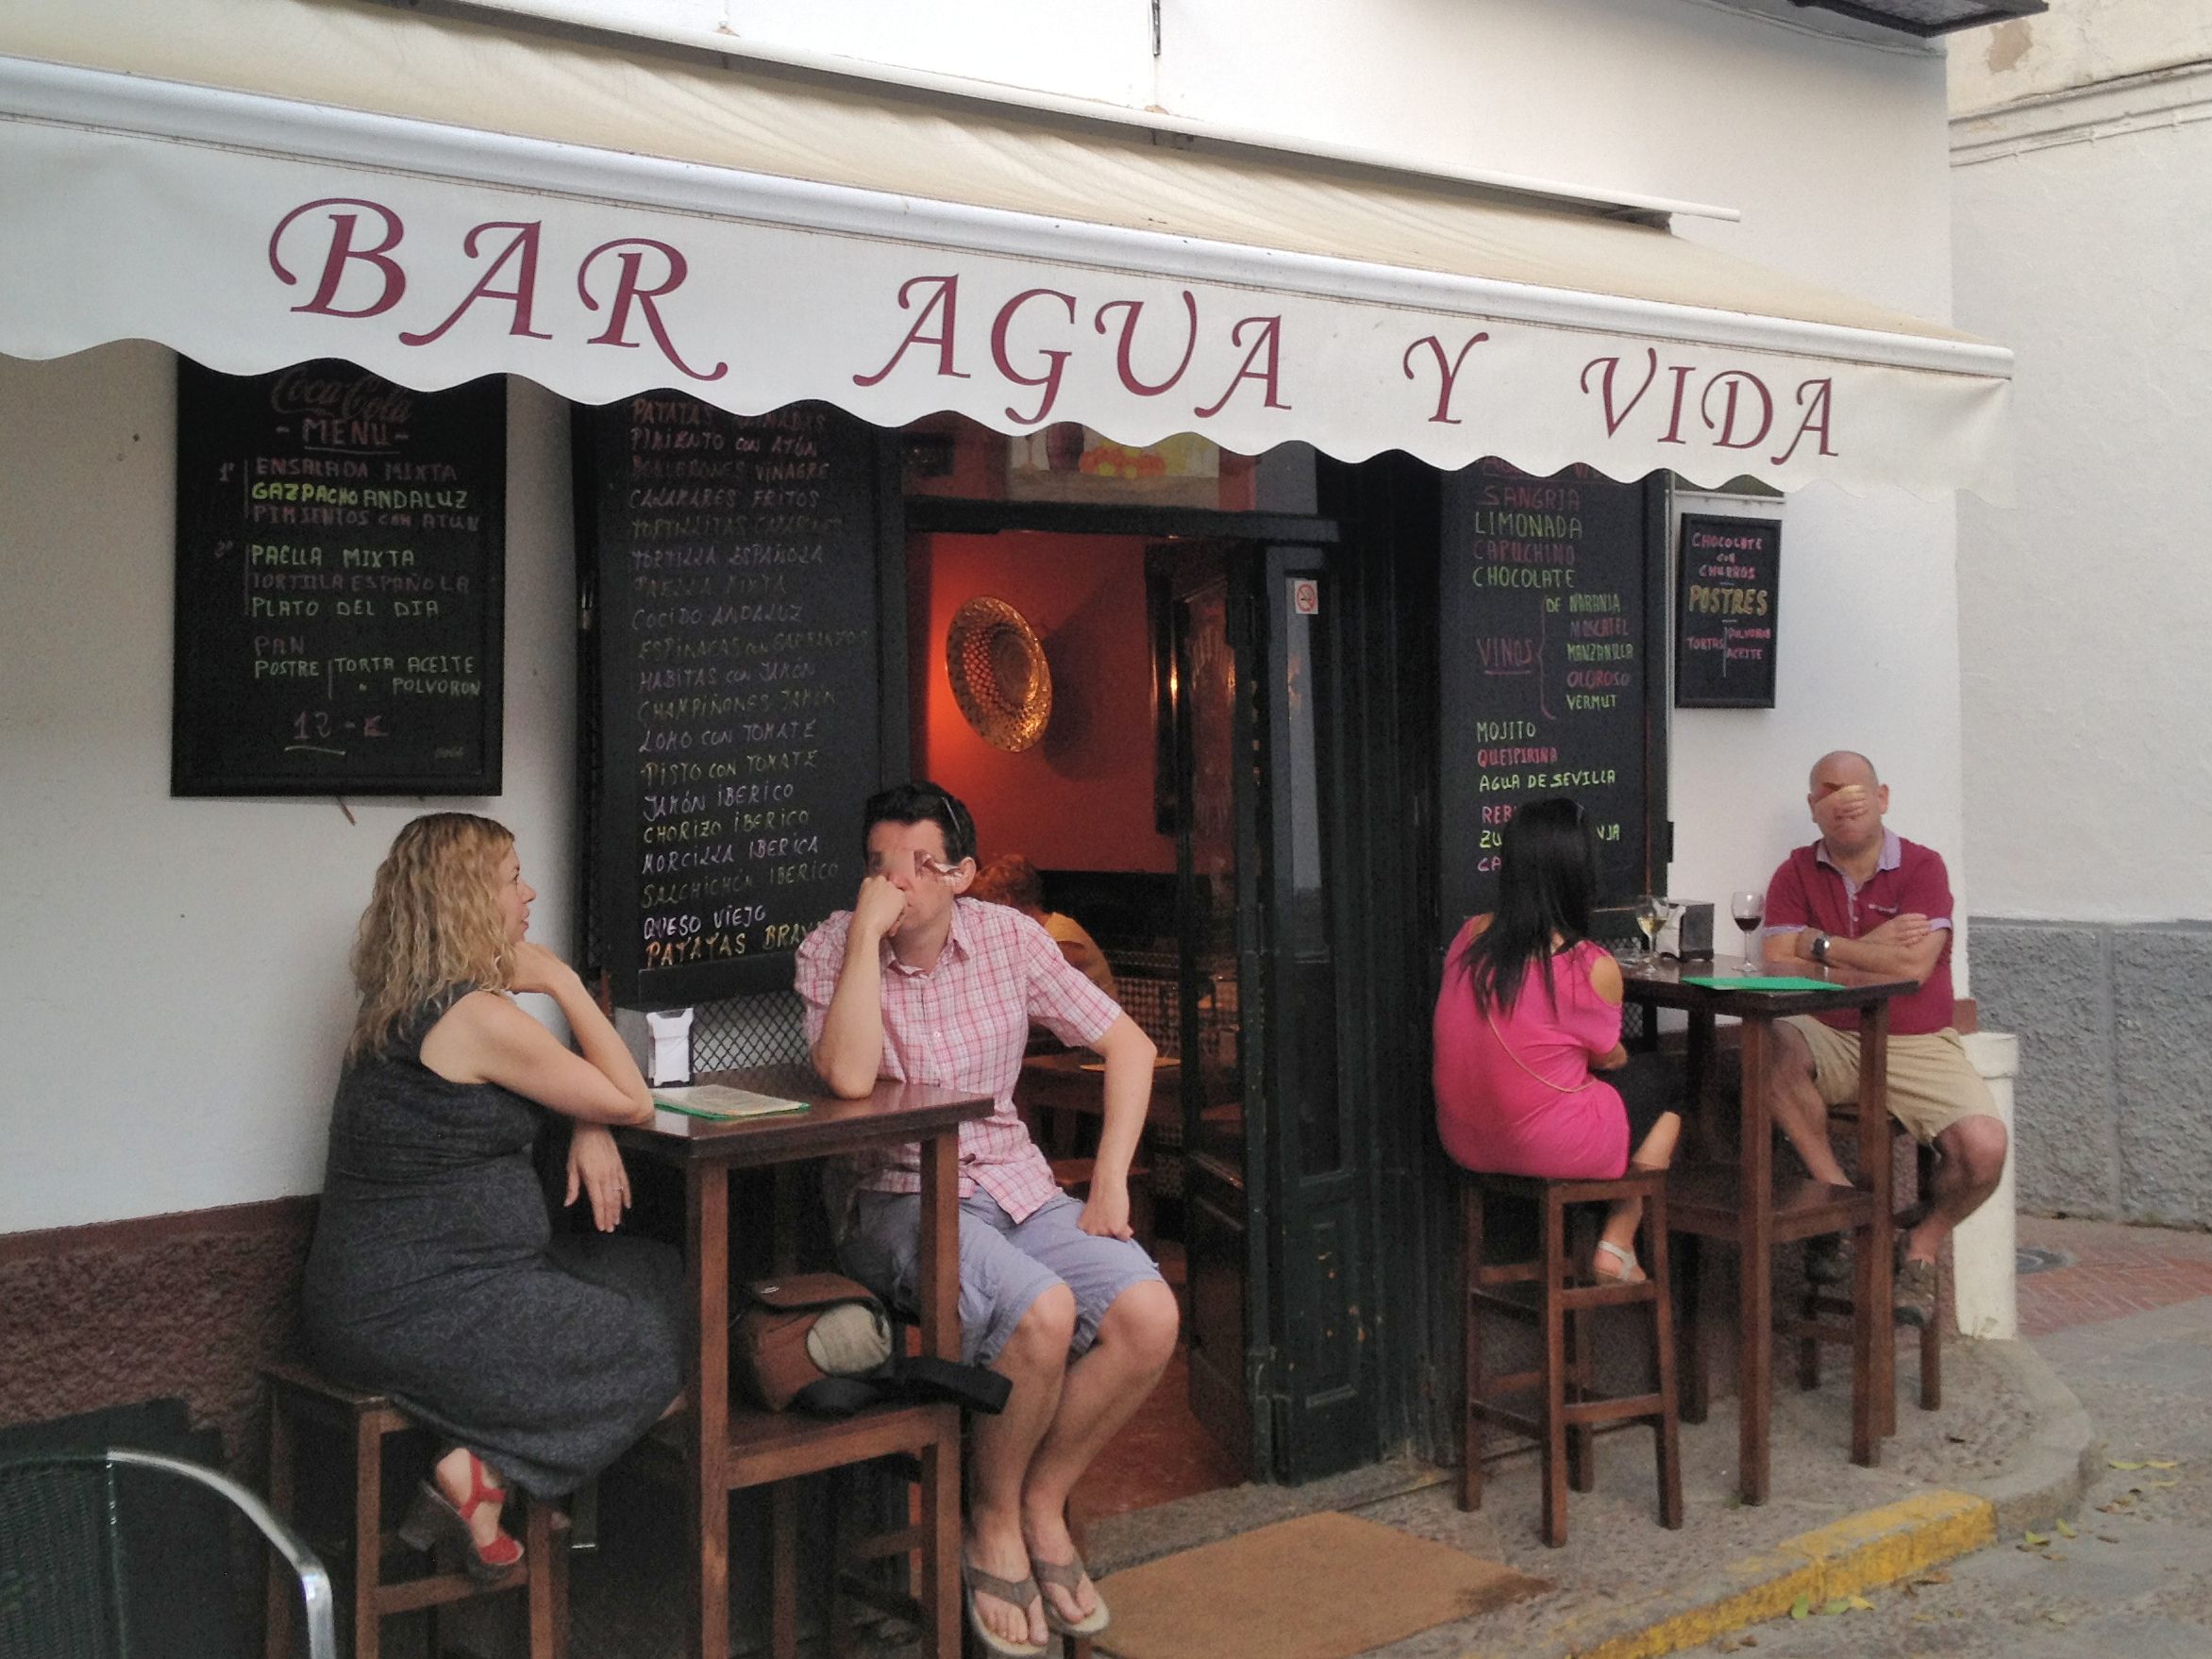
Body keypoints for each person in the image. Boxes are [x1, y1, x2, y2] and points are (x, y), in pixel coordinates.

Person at [796, 783, 1177, 1658]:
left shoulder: (1009, 938)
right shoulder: (829, 947)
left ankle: (1041, 1497)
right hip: (896, 1197)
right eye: (878, 863)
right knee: (1039, 1311)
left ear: (962, 874)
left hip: (1018, 1188)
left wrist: (1111, 1181)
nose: (896, 880)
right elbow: (849, 1079)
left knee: (1148, 1315)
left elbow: (1129, 1045)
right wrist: (863, 935)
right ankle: (992, 1522)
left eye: (918, 863)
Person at [301, 813, 682, 1580]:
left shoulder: (411, 1002)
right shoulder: (473, 1015)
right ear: (469, 897)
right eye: (513, 878)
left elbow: (580, 1097)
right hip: (416, 1308)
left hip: (402, 1295)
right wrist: (565, 983)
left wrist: (584, 1118)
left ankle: (481, 1477)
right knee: (660, 1350)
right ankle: (480, 1476)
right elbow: (633, 1100)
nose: (529, 892)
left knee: (665, 1281)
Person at [1761, 750, 2009, 1325]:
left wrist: (1817, 947)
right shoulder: (1794, 871)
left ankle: (1921, 1244)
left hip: (1916, 1040)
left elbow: (1912, 972)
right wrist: (1872, 954)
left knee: (1985, 1150)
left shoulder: (1924, 867)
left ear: (1883, 798)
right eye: (1829, 793)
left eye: (1857, 790)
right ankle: (1838, 1205)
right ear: (1813, 808)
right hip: (1828, 1031)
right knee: (1770, 1049)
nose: (1844, 801)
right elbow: (1773, 962)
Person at [1432, 796, 1684, 1282]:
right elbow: (1608, 1057)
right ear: (1579, 872)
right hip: (1543, 1144)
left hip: (1462, 1140)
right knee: (1667, 1078)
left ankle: (1611, 1240)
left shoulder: (1468, 938)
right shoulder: (1590, 964)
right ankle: (1618, 1240)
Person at [968, 852, 1118, 1000]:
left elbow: (1046, 998)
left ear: (1006, 901)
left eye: (987, 903)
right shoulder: (1031, 934)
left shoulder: (1060, 937)